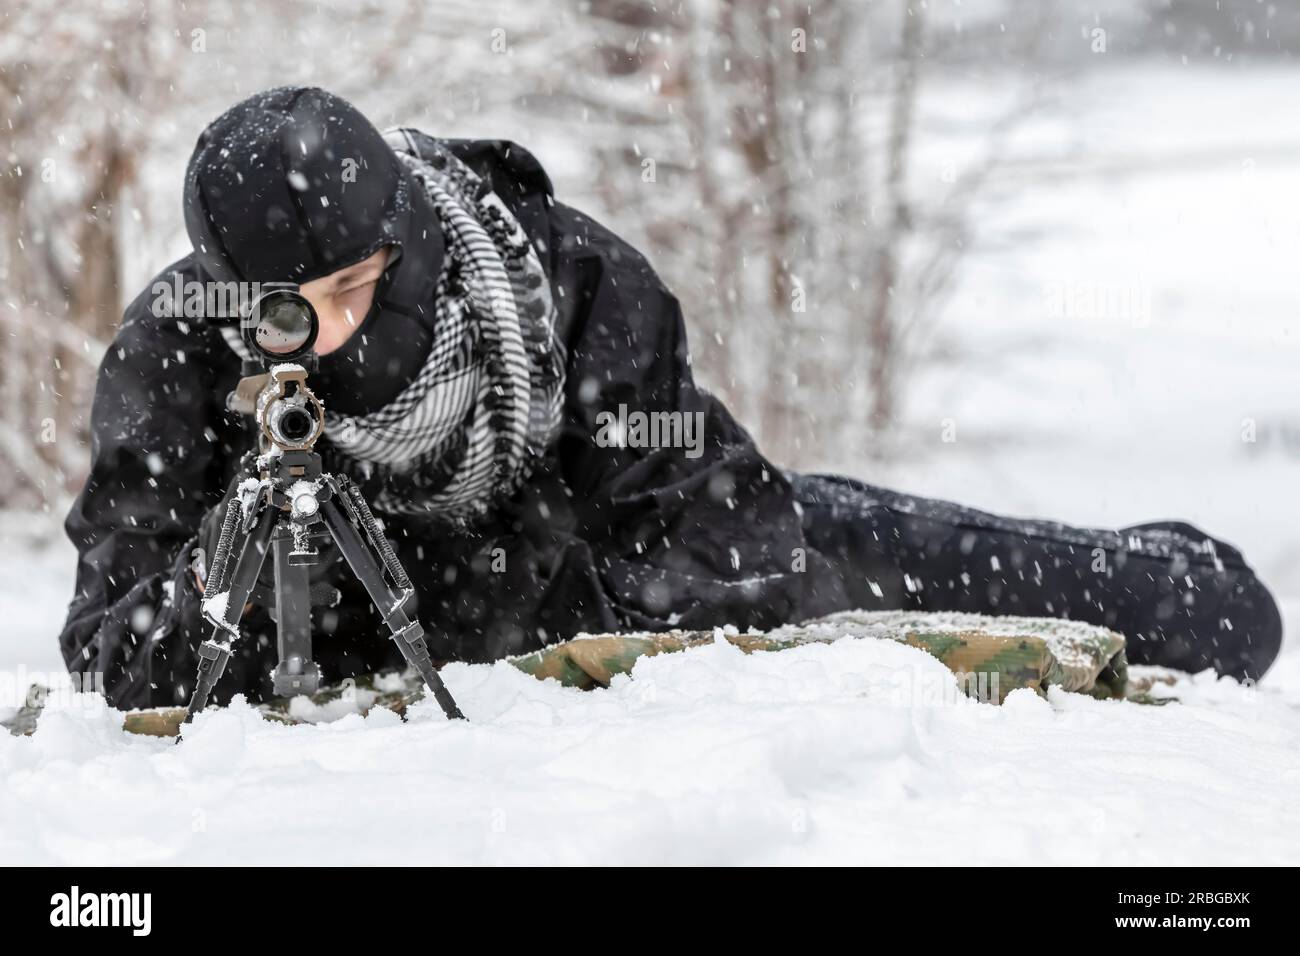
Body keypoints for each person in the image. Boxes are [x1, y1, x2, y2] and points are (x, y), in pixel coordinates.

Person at [58, 87, 1283, 710]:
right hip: (403, 635)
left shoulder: (558, 279)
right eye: (287, 311)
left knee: (1189, 613)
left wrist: (555, 632)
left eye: (353, 287)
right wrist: (248, 562)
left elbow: (715, 527)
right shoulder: (176, 358)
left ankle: (1167, 568)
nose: (324, 334)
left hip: (605, 566)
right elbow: (112, 650)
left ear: (403, 241)